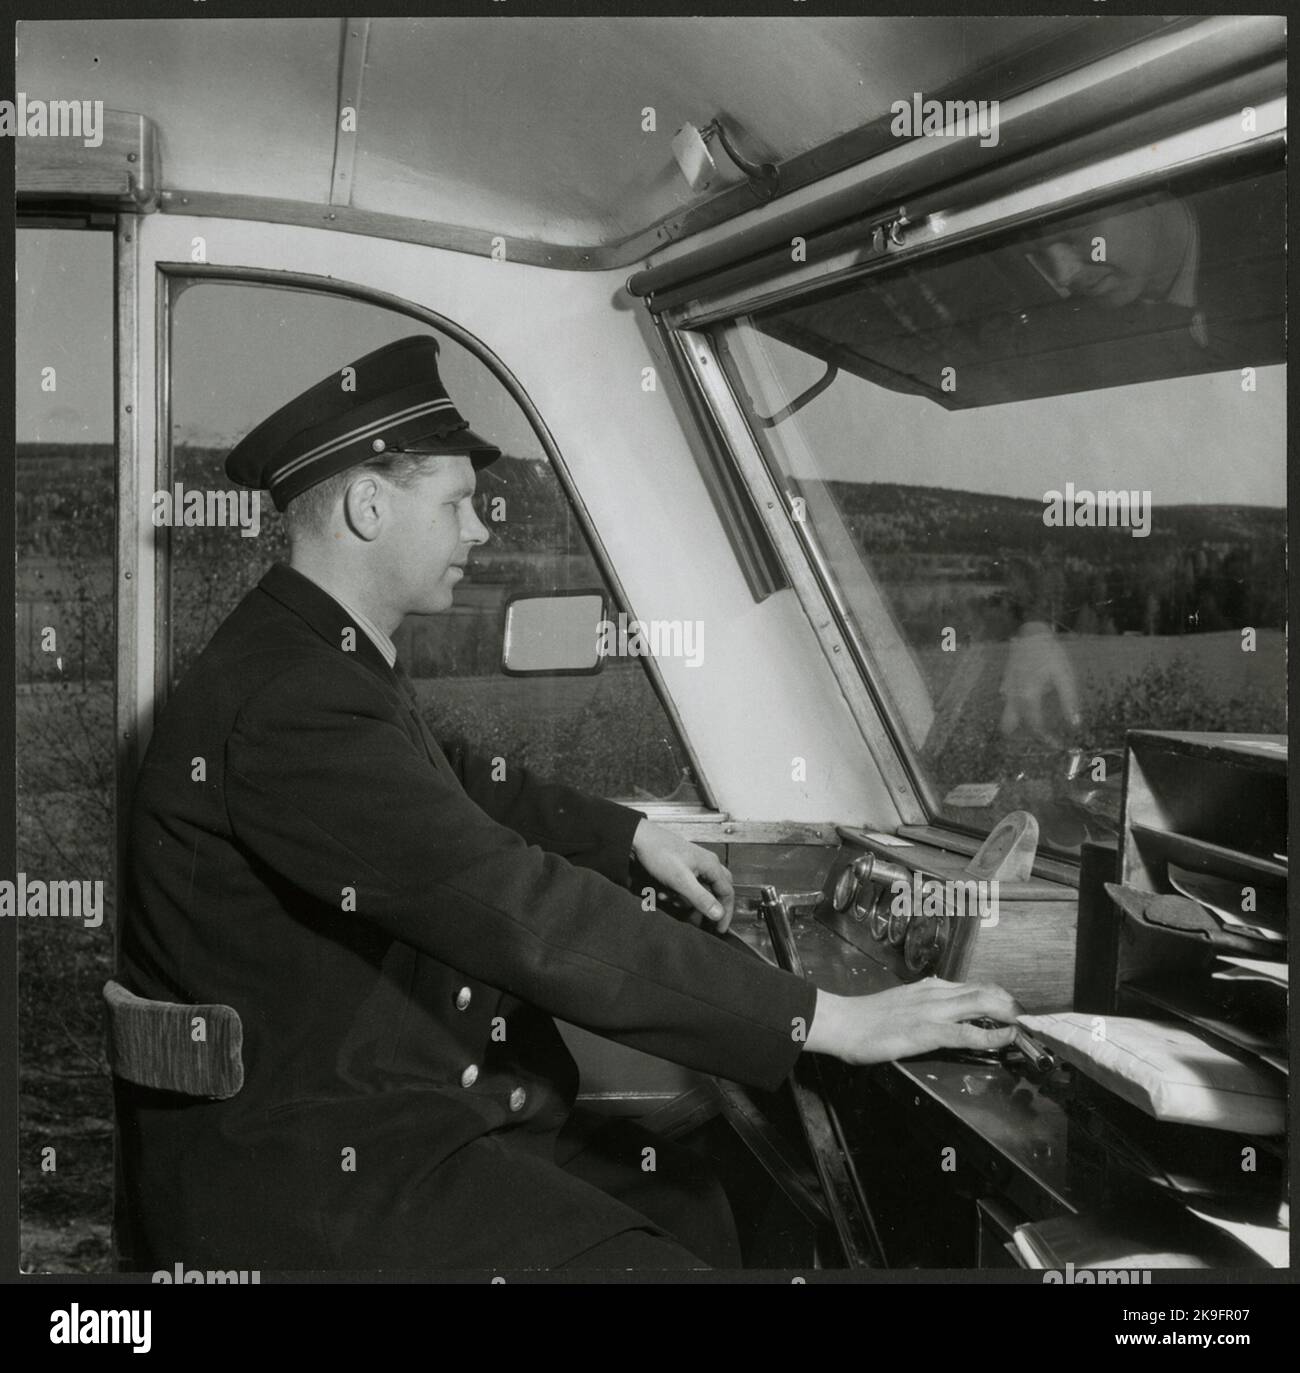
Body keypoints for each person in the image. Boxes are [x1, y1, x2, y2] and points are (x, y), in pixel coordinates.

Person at [117, 335, 1020, 1273]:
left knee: (701, 1200)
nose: (479, 531)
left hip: (367, 1111)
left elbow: (463, 781)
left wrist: (633, 838)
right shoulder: (294, 702)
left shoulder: (315, 660)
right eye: (458, 502)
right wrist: (824, 1018)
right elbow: (519, 910)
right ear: (367, 503)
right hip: (317, 1168)